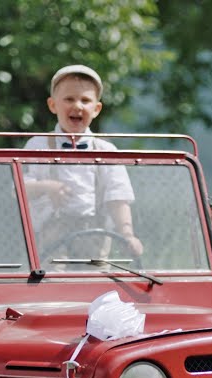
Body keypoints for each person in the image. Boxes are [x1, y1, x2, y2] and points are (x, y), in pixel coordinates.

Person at [22, 64, 142, 260]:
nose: (77, 106)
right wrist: (45, 187)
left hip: (97, 234)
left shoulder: (106, 151)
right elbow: (18, 189)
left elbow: (118, 196)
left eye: (85, 100)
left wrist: (127, 234)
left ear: (96, 109)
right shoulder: (38, 145)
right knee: (54, 282)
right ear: (53, 105)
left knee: (97, 282)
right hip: (53, 235)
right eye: (69, 99)